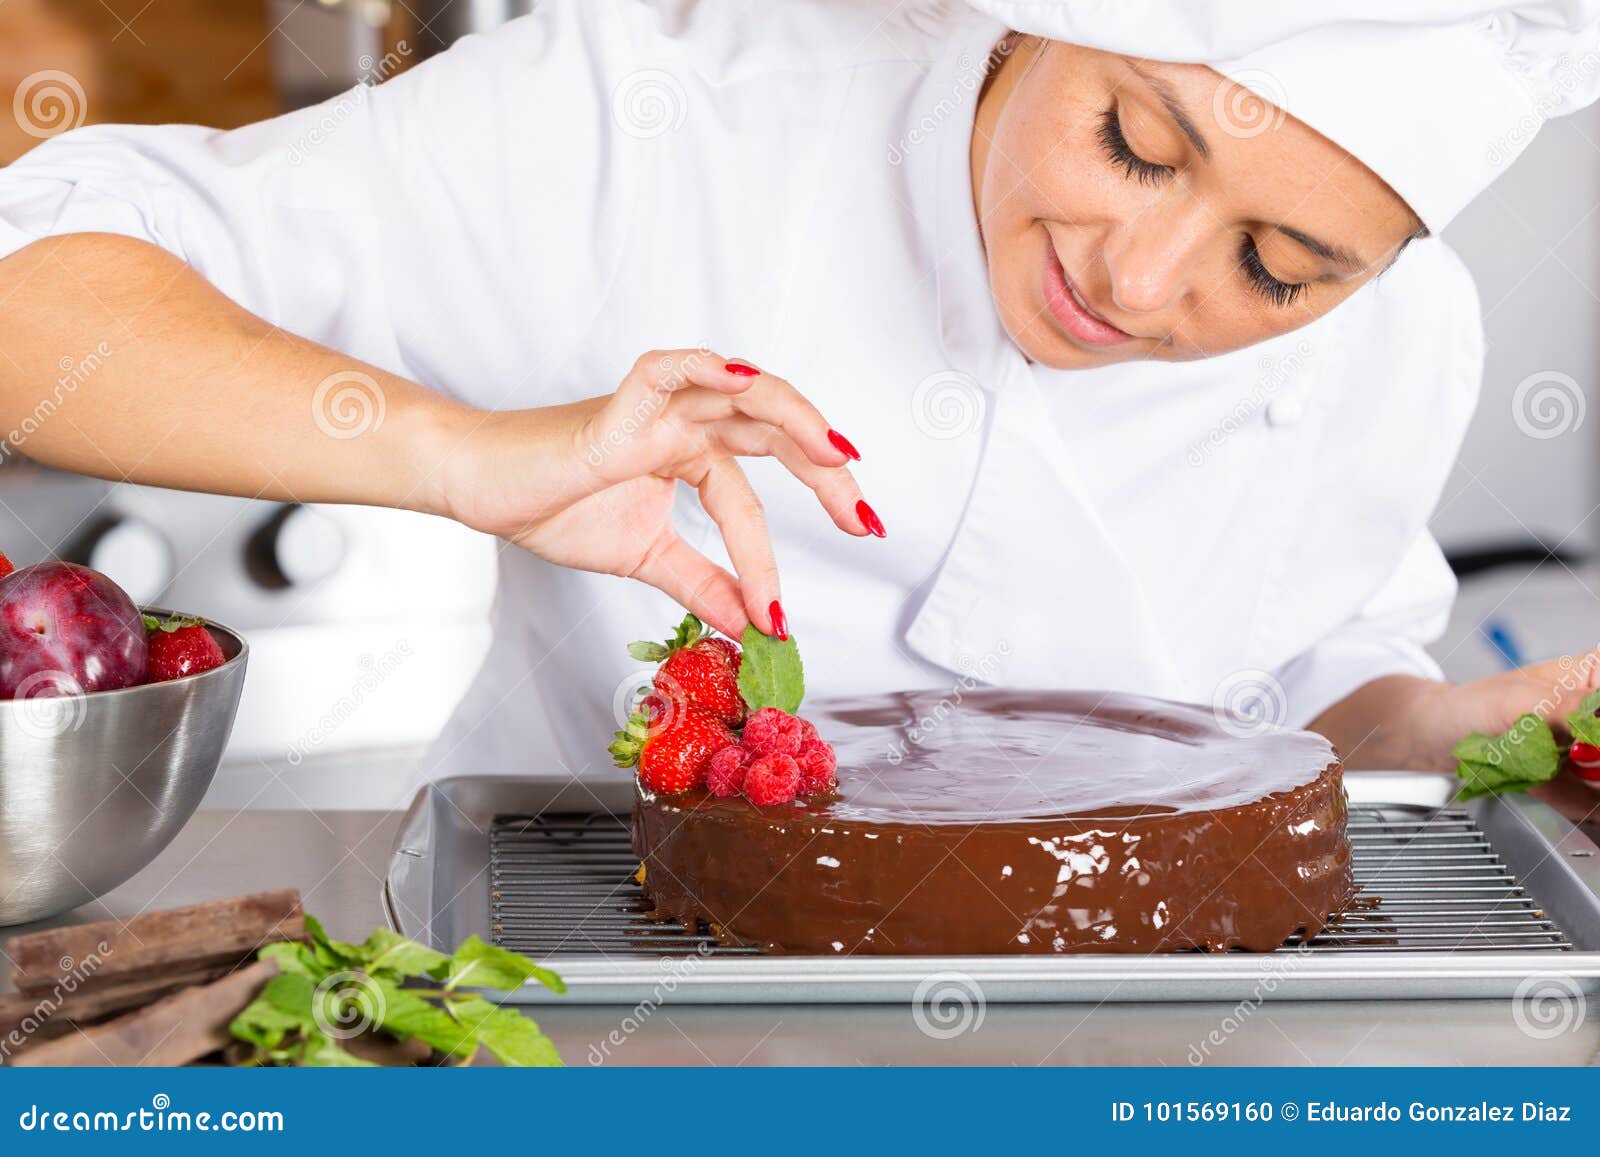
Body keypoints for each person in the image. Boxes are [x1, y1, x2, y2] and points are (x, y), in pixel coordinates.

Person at [1, 0, 1597, 808]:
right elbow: (34, 277)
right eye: (1131, 140)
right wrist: (468, 457)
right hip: (586, 1016)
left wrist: (1449, 731)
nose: (1139, 277)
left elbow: (1302, 705)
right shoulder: (664, 122)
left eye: (1278, 264)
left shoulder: (1409, 340)